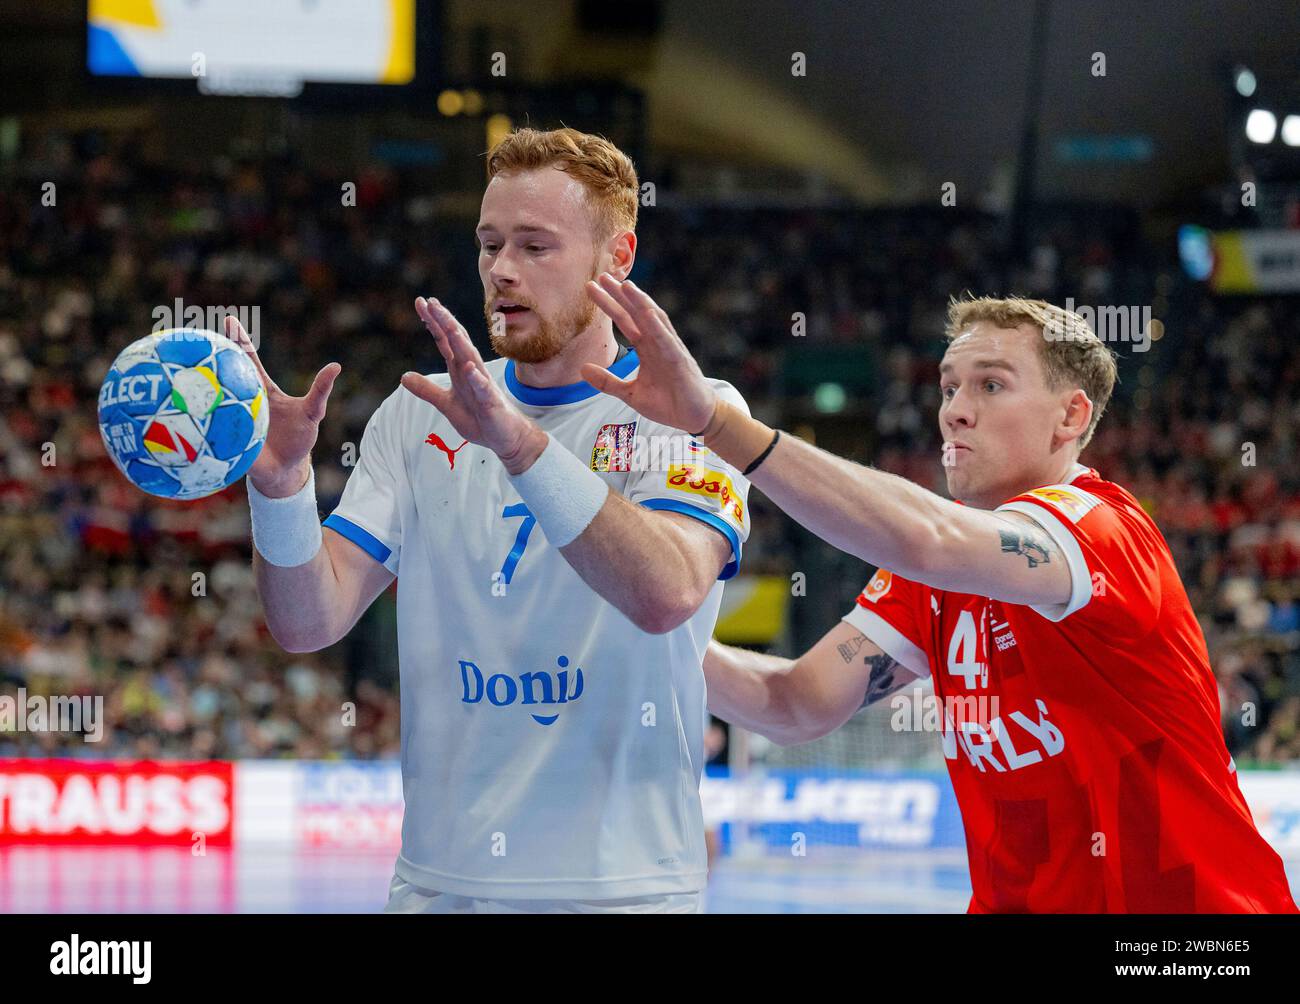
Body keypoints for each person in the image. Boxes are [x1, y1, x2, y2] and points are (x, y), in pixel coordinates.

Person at [581, 284, 1298, 913]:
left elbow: (926, 536)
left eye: (990, 385)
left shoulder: (1100, 531)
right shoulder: (933, 579)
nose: (954, 411)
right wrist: (642, 624)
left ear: (1071, 416)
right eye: (949, 386)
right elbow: (794, 703)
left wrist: (718, 424)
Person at [233, 127, 752, 914]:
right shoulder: (418, 414)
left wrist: (518, 445)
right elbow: (308, 622)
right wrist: (280, 489)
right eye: (489, 244)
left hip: (623, 891)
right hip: (439, 888)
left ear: (618, 258)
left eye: (536, 246)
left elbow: (667, 592)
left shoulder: (695, 414)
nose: (502, 270)